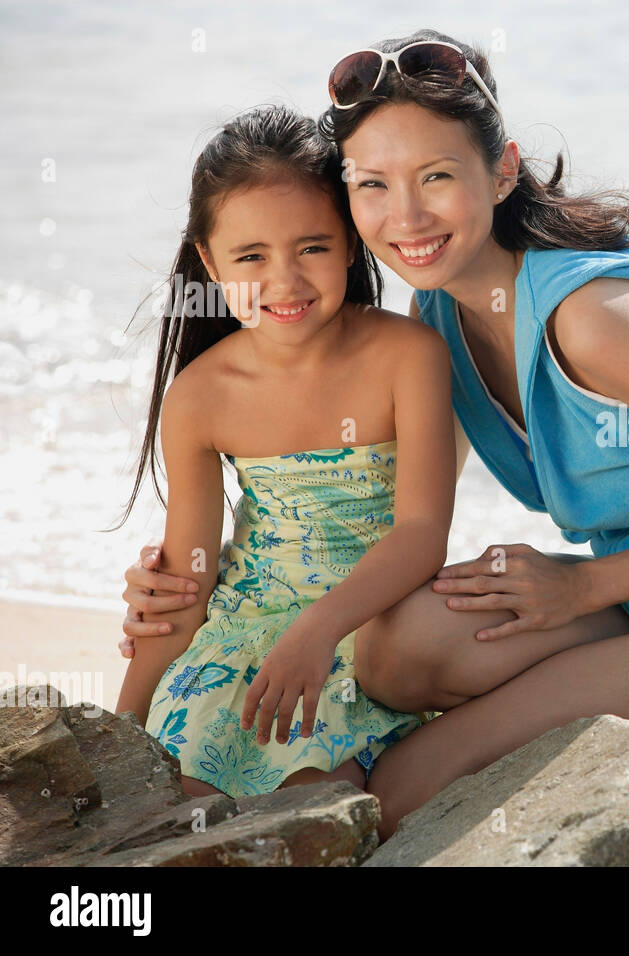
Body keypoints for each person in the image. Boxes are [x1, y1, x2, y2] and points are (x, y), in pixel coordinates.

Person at [120, 30, 629, 840]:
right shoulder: (441, 311)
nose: (405, 216)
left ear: (503, 170)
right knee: (399, 653)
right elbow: (381, 500)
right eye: (373, 185)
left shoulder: (592, 321)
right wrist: (177, 588)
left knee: (406, 793)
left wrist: (580, 589)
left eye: (437, 177)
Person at [112, 104, 457, 797]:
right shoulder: (202, 395)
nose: (285, 281)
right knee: (187, 801)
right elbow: (189, 580)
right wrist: (118, 731)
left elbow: (422, 534)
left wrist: (318, 629)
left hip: (375, 624)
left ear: (353, 242)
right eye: (250, 257)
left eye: (312, 247)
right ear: (208, 262)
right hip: (241, 636)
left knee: (317, 800)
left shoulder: (408, 355)